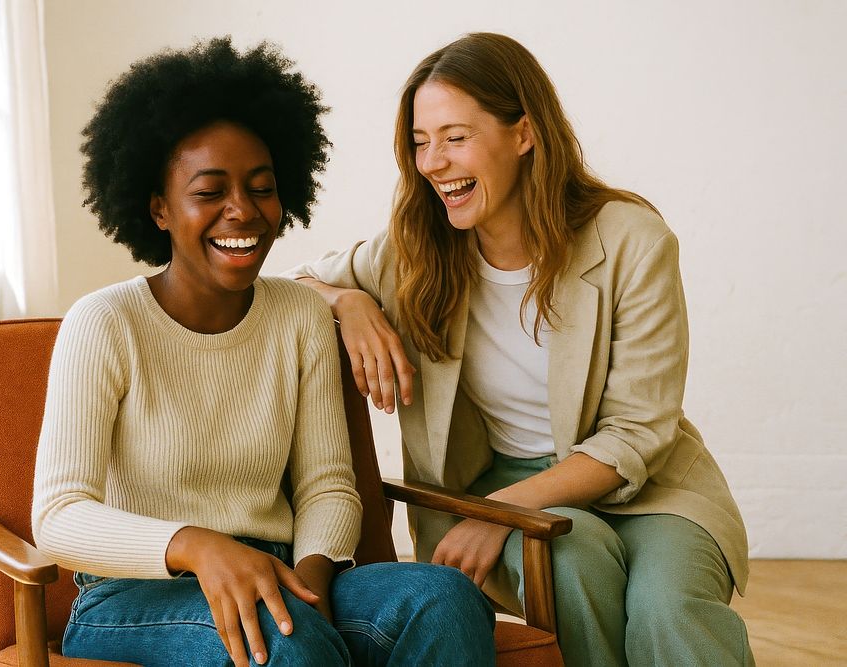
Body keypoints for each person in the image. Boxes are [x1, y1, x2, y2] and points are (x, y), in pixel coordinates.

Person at [289, 32, 754, 666]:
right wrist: (350, 302)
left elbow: (639, 433)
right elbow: (289, 289)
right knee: (573, 562)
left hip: (649, 486)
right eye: (421, 144)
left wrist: (498, 514)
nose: (433, 163)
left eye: (455, 137)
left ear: (524, 134)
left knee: (669, 612)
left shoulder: (632, 241)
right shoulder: (413, 249)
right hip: (497, 475)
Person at [31, 37, 497, 667]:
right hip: (134, 598)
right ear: (159, 208)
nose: (242, 212)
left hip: (279, 572)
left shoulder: (300, 314)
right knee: (282, 641)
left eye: (260, 187)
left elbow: (327, 485)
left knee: (444, 599)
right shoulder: (105, 323)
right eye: (209, 191)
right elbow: (59, 516)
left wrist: (310, 583)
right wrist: (198, 546)